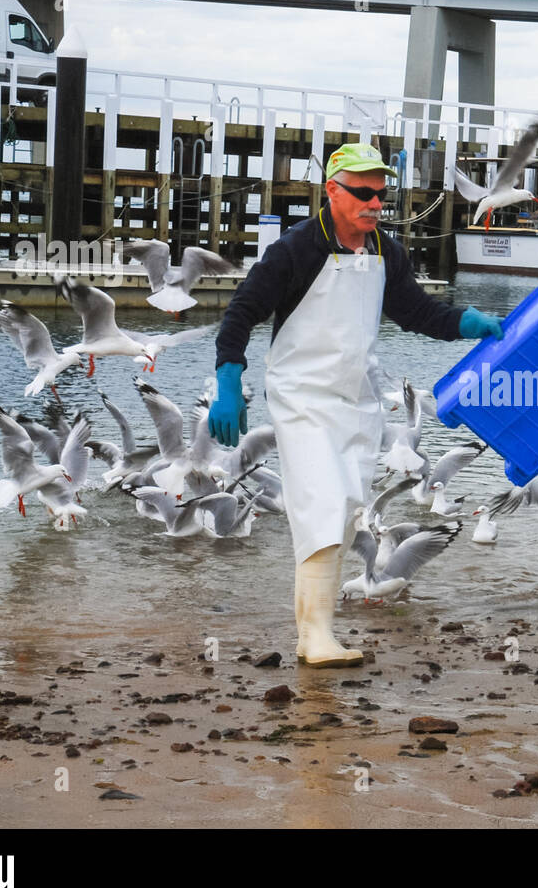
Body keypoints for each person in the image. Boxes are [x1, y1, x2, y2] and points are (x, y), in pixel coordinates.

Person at [208, 142, 503, 667]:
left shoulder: (385, 252)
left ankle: (313, 635)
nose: (374, 204)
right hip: (301, 395)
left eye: (380, 195)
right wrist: (230, 379)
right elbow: (242, 313)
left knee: (345, 512)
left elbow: (414, 312)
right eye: (363, 194)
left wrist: (463, 323)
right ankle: (316, 638)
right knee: (320, 503)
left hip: (354, 399)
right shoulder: (295, 249)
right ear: (332, 191)